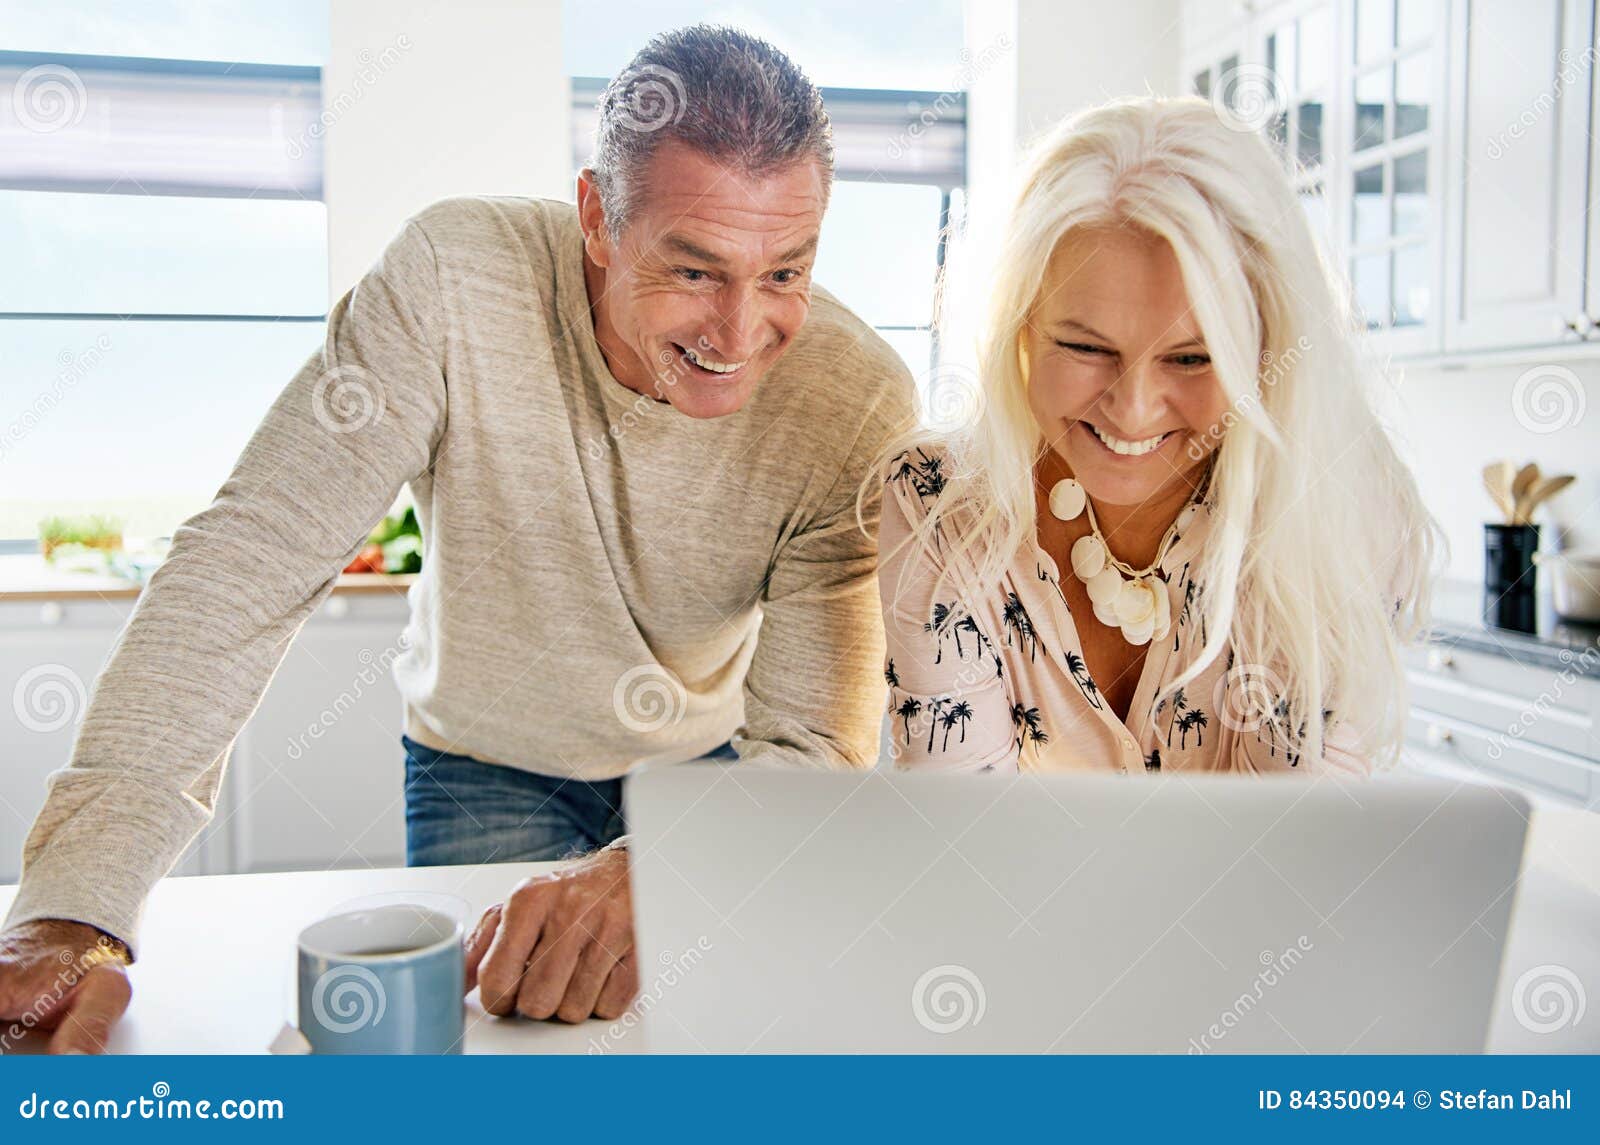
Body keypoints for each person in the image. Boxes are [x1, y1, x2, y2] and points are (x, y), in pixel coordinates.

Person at [0, 25, 915, 1051]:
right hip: (480, 759)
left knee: (678, 1057)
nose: (741, 333)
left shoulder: (855, 399)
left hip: (704, 767)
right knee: (486, 1054)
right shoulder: (453, 280)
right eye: (696, 270)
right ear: (597, 220)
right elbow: (248, 561)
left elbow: (817, 744)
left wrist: (675, 858)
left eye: (785, 272)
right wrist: (72, 903)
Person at [875, 97, 1439, 776]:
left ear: (1268, 350)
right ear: (1019, 330)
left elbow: (1295, 850)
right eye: (1085, 347)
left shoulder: (1342, 504)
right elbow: (958, 832)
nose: (1133, 411)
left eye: (1192, 358)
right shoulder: (938, 500)